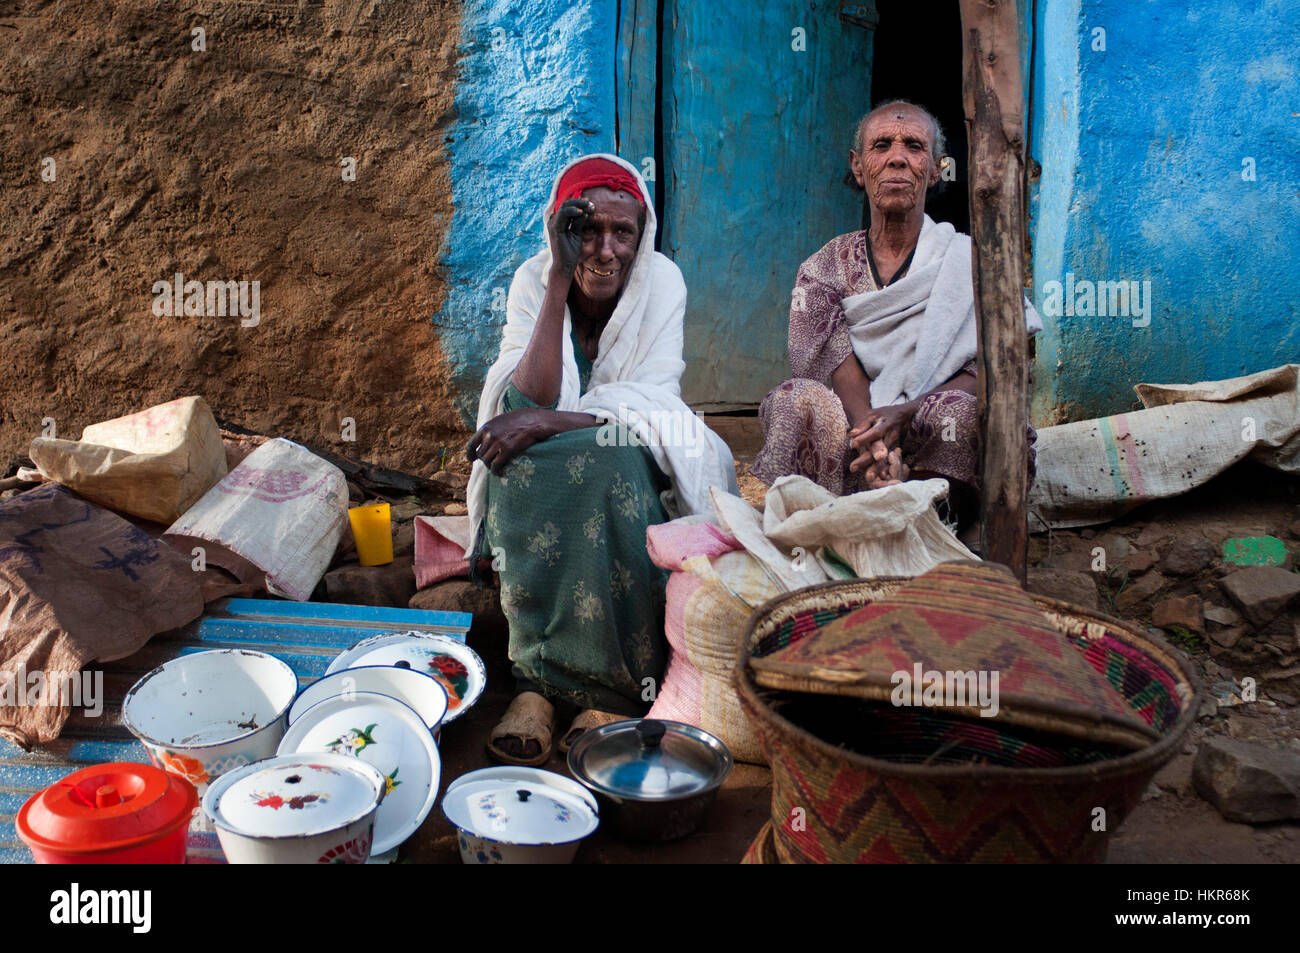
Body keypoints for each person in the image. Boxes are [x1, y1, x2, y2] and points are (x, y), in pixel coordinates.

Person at [465, 154, 737, 765]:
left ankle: (616, 690)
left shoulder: (662, 282)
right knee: (516, 459)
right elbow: (524, 396)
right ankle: (536, 682)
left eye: (624, 233)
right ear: (560, 231)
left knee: (609, 460)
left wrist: (541, 421)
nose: (606, 249)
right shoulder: (535, 279)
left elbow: (651, 406)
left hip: (634, 460)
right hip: (557, 453)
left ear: (644, 236)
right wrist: (558, 281)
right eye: (587, 230)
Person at [751, 100, 1041, 538]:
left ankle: (936, 534)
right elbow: (828, 361)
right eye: (881, 145)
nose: (897, 157)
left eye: (914, 146)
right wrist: (878, 442)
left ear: (937, 168)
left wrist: (907, 411)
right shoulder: (824, 267)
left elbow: (1001, 363)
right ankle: (819, 534)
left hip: (930, 435)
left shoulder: (975, 263)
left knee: (960, 413)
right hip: (856, 441)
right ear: (858, 165)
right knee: (796, 398)